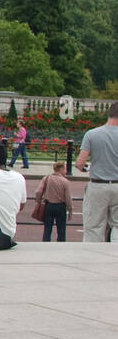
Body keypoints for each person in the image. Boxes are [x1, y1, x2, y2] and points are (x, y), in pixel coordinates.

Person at [75, 101, 118, 242]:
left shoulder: (92, 134)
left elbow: (80, 163)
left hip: (98, 185)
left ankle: (92, 260)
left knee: (93, 227)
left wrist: (86, 168)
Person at [35, 161, 73, 242]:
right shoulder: (65, 181)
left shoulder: (47, 178)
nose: (65, 171)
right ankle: (61, 246)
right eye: (65, 169)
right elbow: (68, 198)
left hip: (49, 205)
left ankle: (45, 245)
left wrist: (39, 201)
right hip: (60, 206)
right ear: (61, 169)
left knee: (47, 229)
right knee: (61, 230)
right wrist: (70, 209)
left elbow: (38, 192)